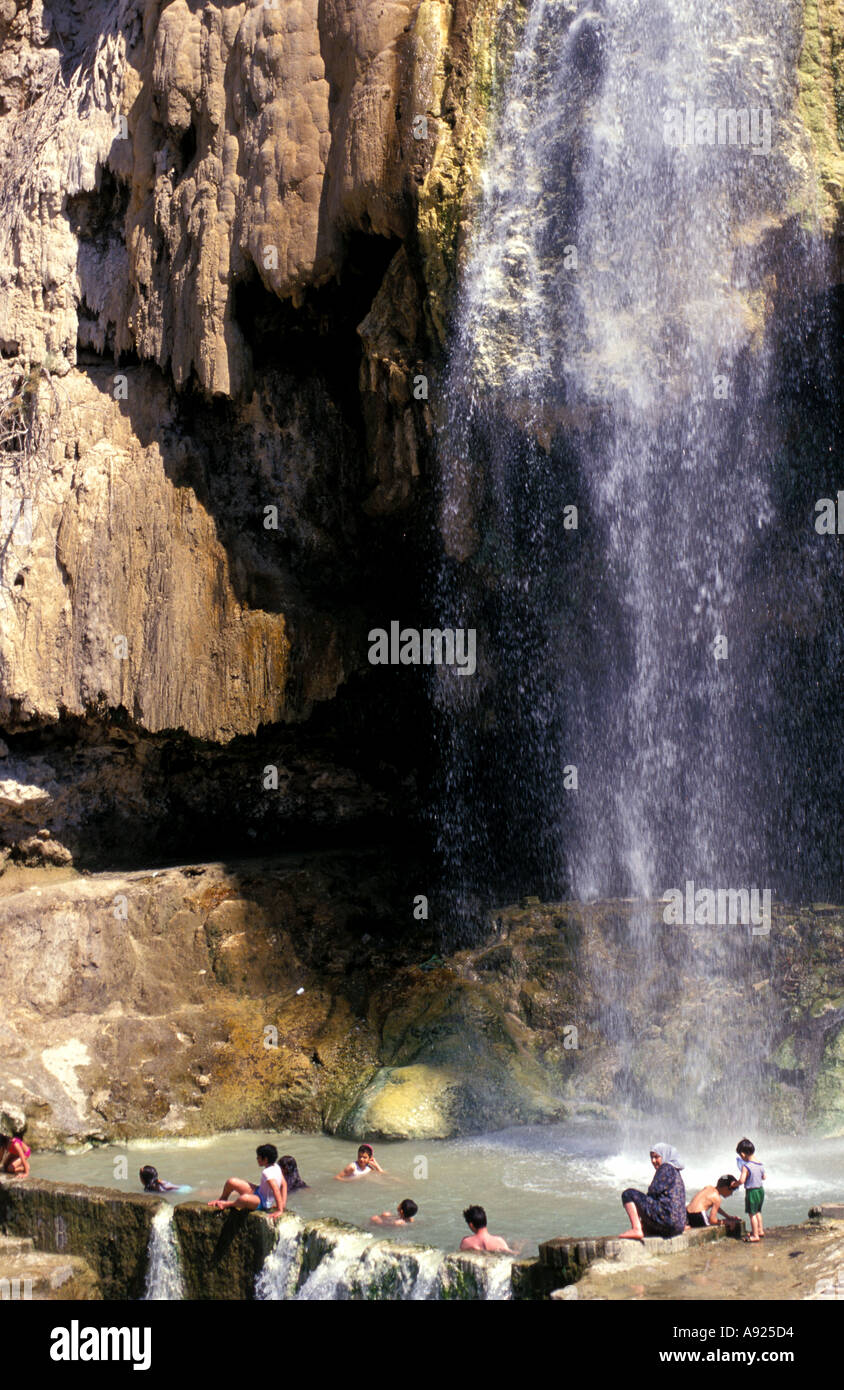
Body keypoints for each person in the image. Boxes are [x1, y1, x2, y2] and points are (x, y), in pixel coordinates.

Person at [619, 1143, 687, 1240]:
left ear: (664, 1155)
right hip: (678, 1227)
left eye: (656, 1157)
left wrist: (642, 1212)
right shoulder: (676, 1173)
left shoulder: (665, 1167)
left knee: (628, 1194)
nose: (653, 1161)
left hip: (668, 1221)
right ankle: (642, 1229)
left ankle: (636, 1229)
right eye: (651, 1158)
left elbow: (653, 1192)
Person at [207, 1143, 286, 1217]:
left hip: (263, 1202)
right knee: (231, 1181)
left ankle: (228, 1204)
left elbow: (276, 1190)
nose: (257, 1159)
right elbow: (284, 1184)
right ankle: (222, 1199)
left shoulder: (267, 1173)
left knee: (244, 1198)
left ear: (265, 1159)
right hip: (259, 1191)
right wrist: (283, 1203)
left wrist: (280, 1209)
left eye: (258, 1157)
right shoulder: (276, 1166)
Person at [735, 1138, 766, 1242]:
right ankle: (760, 1230)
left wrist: (735, 1183)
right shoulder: (760, 1164)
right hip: (760, 1191)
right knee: (758, 1211)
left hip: (752, 1192)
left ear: (743, 1154)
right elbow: (764, 1177)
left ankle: (755, 1235)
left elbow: (742, 1180)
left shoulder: (746, 1167)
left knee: (752, 1214)